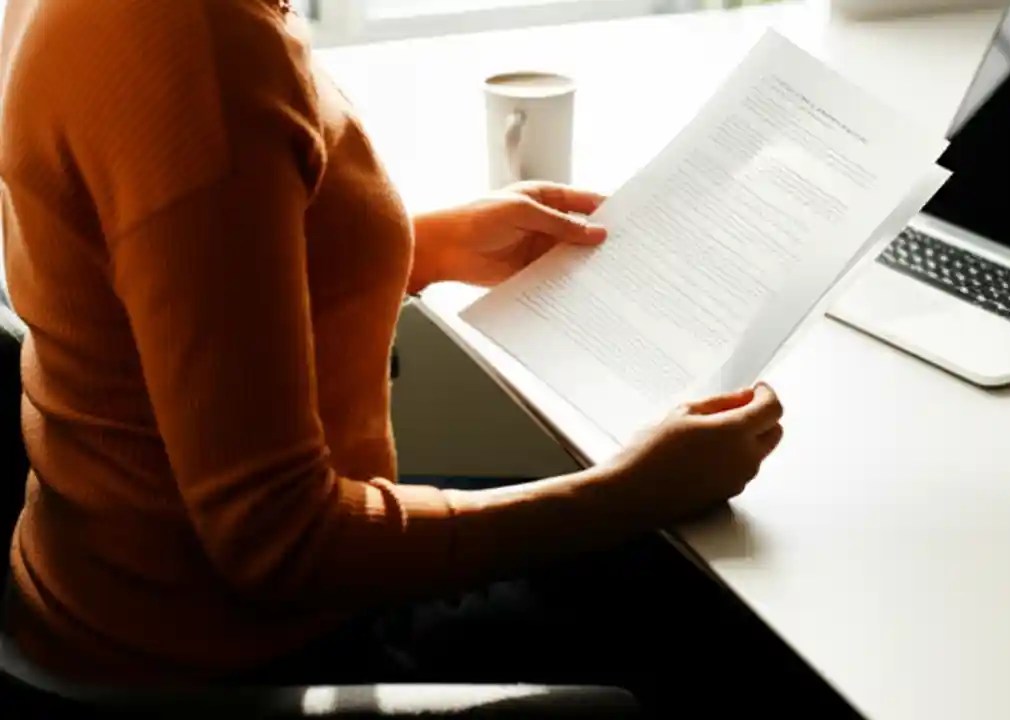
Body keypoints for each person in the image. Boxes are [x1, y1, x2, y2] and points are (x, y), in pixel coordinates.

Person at [0, 0, 811, 713]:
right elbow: (279, 543)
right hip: (232, 656)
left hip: (125, 600)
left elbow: (179, 262)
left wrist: (423, 247)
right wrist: (631, 492)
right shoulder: (197, 44)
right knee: (724, 619)